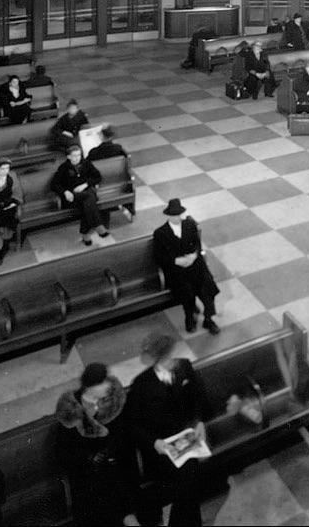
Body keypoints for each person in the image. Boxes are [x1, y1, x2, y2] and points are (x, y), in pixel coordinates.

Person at [127, 332, 211, 527]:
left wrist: (199, 422)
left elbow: (198, 397)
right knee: (189, 481)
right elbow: (133, 425)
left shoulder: (184, 367)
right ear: (157, 360)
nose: (172, 360)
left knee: (189, 479)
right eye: (166, 358)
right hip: (160, 450)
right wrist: (155, 443)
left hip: (188, 438)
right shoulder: (141, 385)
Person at [55, 363, 141, 527]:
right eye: (102, 383)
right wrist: (90, 459)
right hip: (87, 473)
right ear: (89, 387)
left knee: (120, 487)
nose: (108, 386)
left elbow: (126, 433)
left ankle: (129, 519)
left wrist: (111, 452)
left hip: (118, 465)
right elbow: (64, 452)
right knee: (101, 494)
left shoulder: (114, 402)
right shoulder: (71, 411)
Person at [152, 199, 220, 335]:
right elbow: (158, 256)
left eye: (178, 215)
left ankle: (208, 319)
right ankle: (189, 319)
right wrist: (176, 261)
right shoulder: (160, 233)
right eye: (173, 215)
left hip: (195, 266)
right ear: (168, 216)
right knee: (187, 293)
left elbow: (197, 244)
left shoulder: (190, 225)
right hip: (177, 270)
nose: (176, 218)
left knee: (207, 290)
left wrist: (194, 256)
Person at [51, 144, 110, 246]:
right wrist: (65, 192)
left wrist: (85, 185)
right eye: (74, 156)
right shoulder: (64, 167)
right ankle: (97, 225)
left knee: (87, 201)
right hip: (72, 197)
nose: (77, 158)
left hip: (86, 193)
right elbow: (54, 184)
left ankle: (86, 234)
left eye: (79, 155)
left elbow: (98, 177)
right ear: (68, 157)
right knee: (89, 199)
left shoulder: (86, 163)